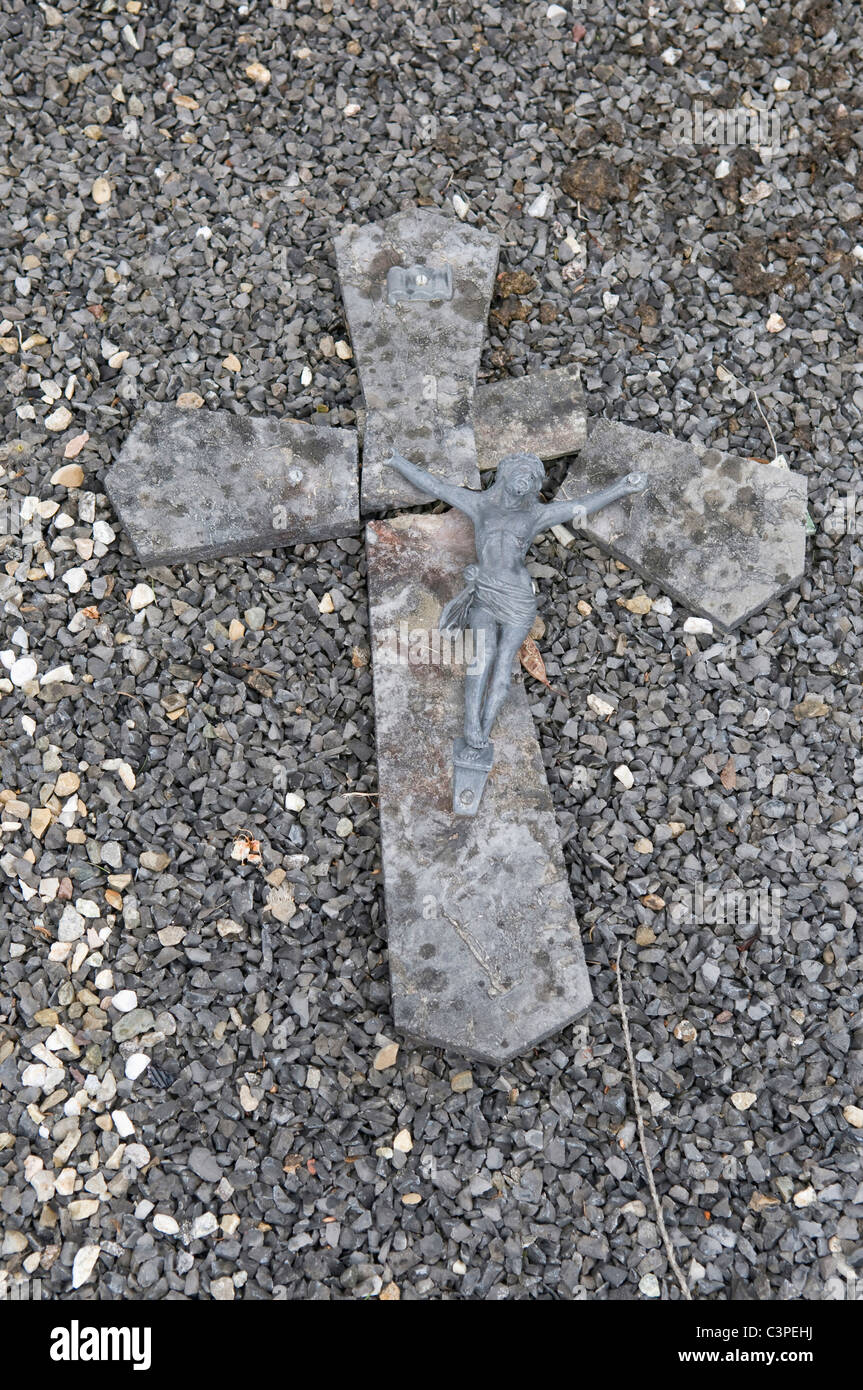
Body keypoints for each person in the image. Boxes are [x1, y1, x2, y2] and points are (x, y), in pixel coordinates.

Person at [388, 449, 647, 750]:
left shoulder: (535, 514)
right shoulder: (480, 504)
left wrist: (623, 487)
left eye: (532, 478)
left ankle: (484, 732)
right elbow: (435, 486)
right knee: (482, 655)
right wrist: (397, 460)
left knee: (503, 664)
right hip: (484, 593)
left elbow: (580, 505)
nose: (525, 481)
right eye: (520, 473)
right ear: (505, 475)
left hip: (518, 599)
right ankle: (471, 723)